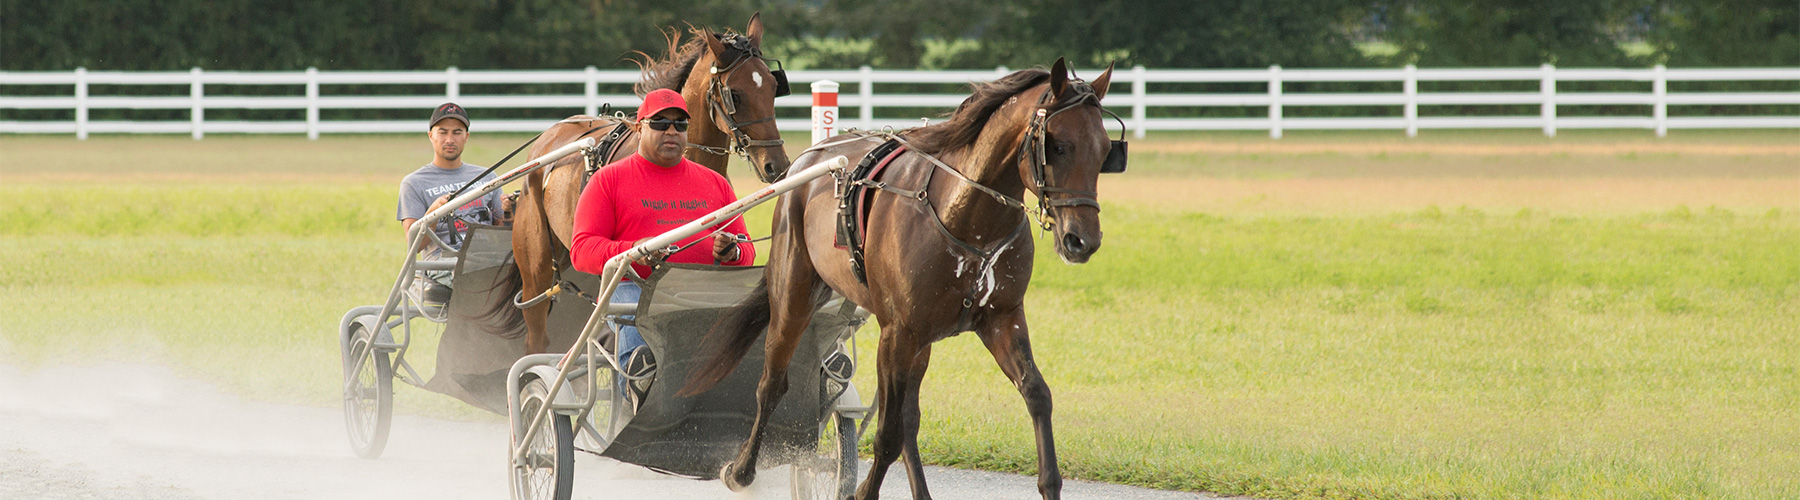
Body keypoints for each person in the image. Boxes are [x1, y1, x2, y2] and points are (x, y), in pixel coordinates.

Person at [570, 88, 754, 404]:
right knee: (636, 318)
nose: (671, 131)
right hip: (634, 288)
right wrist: (633, 250)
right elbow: (582, 250)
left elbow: (747, 251)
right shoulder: (607, 180)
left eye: (680, 125)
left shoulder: (716, 183)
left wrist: (732, 251)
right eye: (660, 123)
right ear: (639, 128)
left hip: (703, 289)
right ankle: (640, 384)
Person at [396, 103, 512, 307]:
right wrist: (434, 212)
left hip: (487, 255)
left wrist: (509, 212)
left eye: (457, 132)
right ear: (430, 135)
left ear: (466, 137)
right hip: (443, 260)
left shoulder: (487, 177)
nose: (450, 139)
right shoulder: (413, 183)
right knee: (482, 276)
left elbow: (502, 231)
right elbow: (414, 245)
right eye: (443, 132)